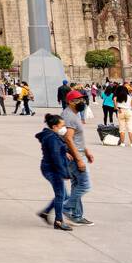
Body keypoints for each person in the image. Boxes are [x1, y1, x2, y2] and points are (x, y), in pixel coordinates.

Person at [57, 90, 95, 225]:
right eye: (78, 100)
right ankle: (66, 207)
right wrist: (79, 159)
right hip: (74, 157)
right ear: (70, 102)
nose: (82, 102)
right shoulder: (69, 116)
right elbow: (68, 138)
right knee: (85, 185)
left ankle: (77, 215)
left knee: (76, 185)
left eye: (83, 99)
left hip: (78, 153)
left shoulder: (73, 114)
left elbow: (77, 138)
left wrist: (86, 151)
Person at [36, 113, 74, 231]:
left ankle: (46, 212)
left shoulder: (52, 135)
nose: (64, 128)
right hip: (52, 169)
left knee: (64, 195)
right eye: (62, 125)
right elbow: (55, 156)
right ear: (54, 126)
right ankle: (58, 221)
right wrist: (64, 173)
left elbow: (57, 150)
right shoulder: (52, 138)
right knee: (60, 195)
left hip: (50, 167)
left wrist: (65, 152)